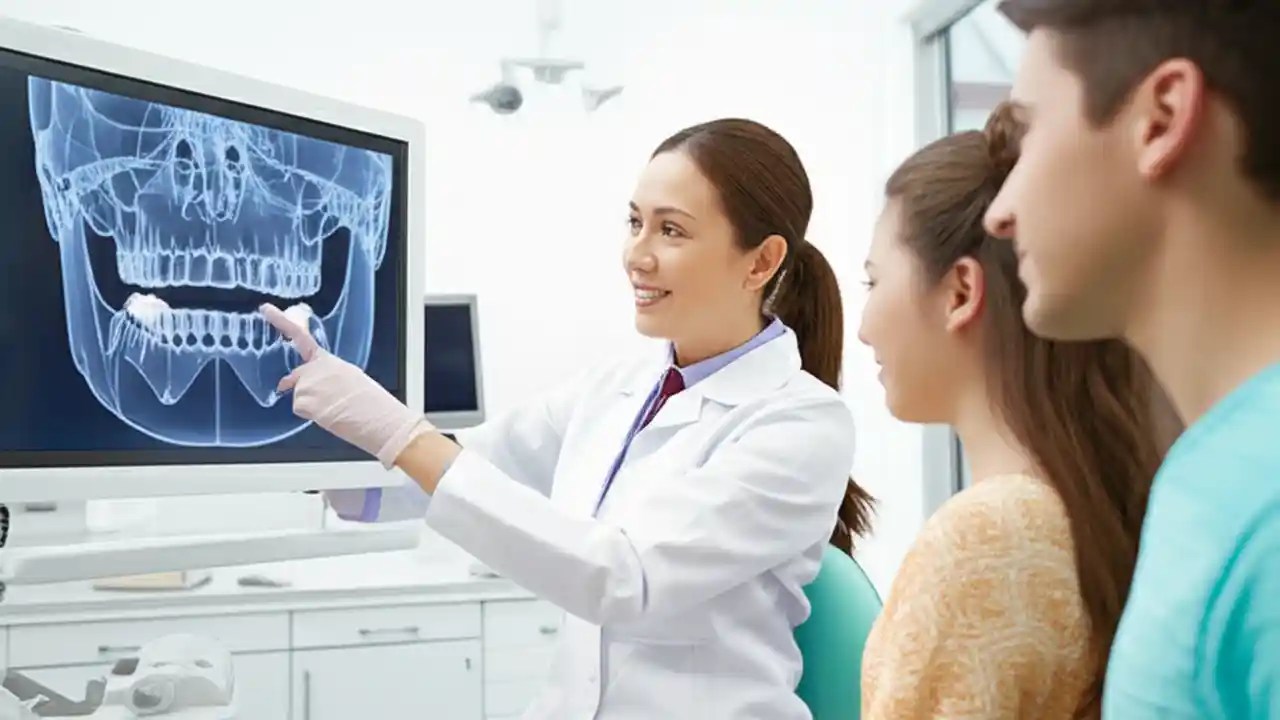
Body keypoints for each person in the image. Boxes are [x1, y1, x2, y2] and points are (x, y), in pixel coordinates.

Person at [259, 117, 875, 719]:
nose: (637, 255)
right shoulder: (617, 388)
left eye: (672, 231)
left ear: (761, 261)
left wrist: (399, 433)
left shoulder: (801, 424)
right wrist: (321, 448)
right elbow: (464, 466)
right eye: (635, 222)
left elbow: (624, 576)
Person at [984, 2, 1280, 717]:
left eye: (1027, 135)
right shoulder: (1213, 481)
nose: (999, 212)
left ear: (1162, 116)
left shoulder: (1263, 512)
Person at [857, 108, 1173, 719]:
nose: (866, 328)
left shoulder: (985, 536)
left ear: (960, 293)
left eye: (873, 282)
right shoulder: (1096, 505)